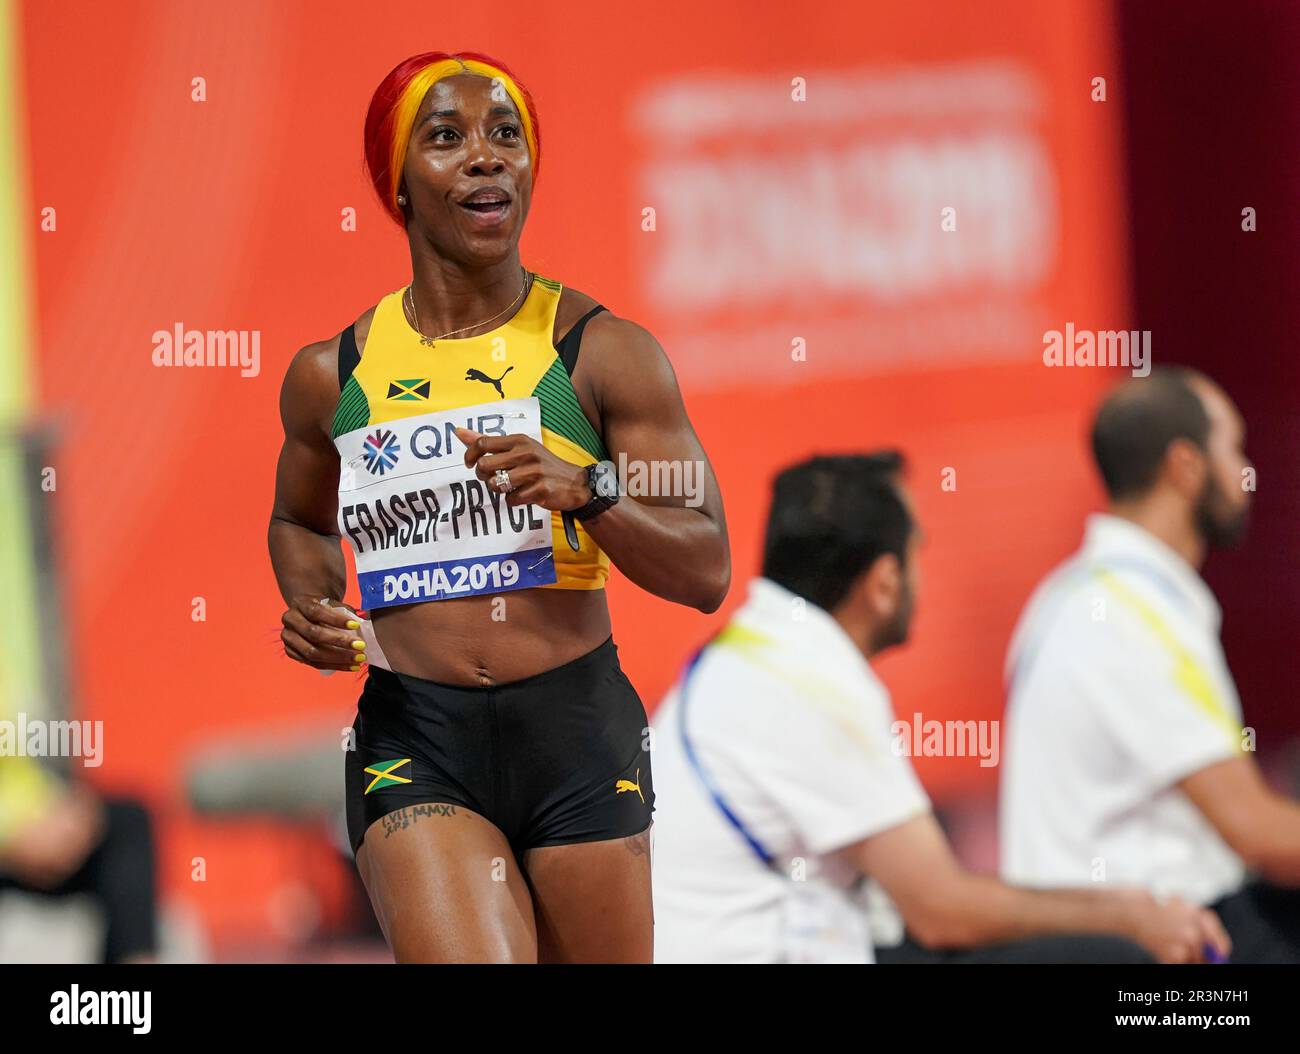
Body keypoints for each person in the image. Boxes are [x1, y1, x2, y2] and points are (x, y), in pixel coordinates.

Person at [267, 51, 729, 963]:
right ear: (397, 185)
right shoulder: (335, 376)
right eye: (447, 138)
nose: (486, 157)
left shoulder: (601, 355)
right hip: (418, 736)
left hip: (574, 731)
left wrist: (590, 490)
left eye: (505, 135)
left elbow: (705, 566)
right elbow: (299, 522)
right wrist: (318, 604)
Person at [651, 451, 1229, 963]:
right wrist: (1128, 915)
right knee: (1114, 959)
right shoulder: (808, 682)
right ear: (883, 583)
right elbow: (943, 909)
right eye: (917, 554)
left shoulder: (757, 651)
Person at [1001, 366, 1300, 963]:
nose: (1247, 471)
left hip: (1103, 934)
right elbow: (1257, 833)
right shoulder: (1131, 616)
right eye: (1232, 448)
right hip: (1147, 945)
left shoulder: (1072, 593)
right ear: (1185, 467)